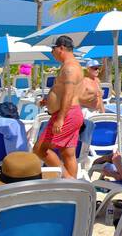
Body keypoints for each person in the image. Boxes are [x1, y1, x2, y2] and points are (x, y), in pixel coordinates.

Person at [35, 35, 85, 180]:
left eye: (53, 49)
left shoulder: (69, 68)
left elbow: (69, 94)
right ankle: (72, 187)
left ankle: (68, 179)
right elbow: (65, 91)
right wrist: (49, 100)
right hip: (72, 112)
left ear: (61, 48)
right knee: (68, 153)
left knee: (40, 149)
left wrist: (61, 118)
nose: (52, 53)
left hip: (67, 114)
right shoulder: (69, 66)